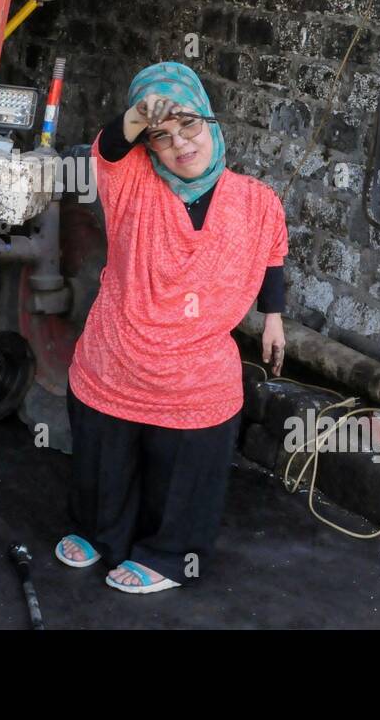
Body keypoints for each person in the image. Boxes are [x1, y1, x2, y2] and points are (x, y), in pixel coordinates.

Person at [55, 61, 289, 594]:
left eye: (190, 126)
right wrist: (139, 115)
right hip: (118, 354)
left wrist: (273, 319)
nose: (181, 145)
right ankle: (98, 533)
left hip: (197, 368)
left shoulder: (256, 199)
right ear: (149, 147)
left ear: (211, 123)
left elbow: (273, 252)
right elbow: (109, 148)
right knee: (103, 460)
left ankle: (167, 554)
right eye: (162, 136)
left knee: (184, 471)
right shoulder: (129, 181)